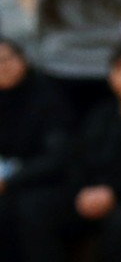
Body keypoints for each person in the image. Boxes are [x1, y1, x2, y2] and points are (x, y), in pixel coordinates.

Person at [18, 42, 121, 262]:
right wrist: (83, 190)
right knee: (34, 208)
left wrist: (114, 193)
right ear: (111, 76)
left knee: (120, 225)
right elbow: (78, 157)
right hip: (90, 192)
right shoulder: (102, 114)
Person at [0, 38, 74, 262]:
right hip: (9, 181)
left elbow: (58, 157)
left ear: (23, 59)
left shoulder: (47, 96)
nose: (3, 67)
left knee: (28, 210)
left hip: (50, 181)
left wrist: (11, 181)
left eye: (7, 59)